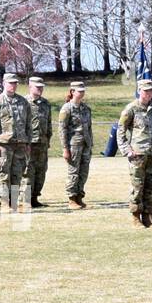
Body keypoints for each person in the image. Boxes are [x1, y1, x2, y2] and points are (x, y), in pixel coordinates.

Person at [118, 78, 152, 227]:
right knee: (137, 186)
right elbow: (121, 131)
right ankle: (135, 217)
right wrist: (127, 150)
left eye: (151, 90)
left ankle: (147, 216)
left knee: (151, 186)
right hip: (138, 154)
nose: (149, 93)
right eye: (146, 91)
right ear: (139, 91)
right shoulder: (131, 109)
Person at [0, 72, 31, 212]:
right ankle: (5, 202)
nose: (13, 85)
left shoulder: (23, 102)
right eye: (10, 83)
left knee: (17, 174)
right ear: (4, 83)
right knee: (3, 174)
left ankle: (14, 201)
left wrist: (28, 142)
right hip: (3, 144)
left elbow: (28, 123)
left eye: (15, 83)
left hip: (20, 144)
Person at [59, 82, 92, 210]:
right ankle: (71, 198)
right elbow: (62, 129)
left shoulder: (86, 108)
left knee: (83, 172)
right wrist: (65, 149)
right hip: (74, 145)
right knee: (73, 172)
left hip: (86, 144)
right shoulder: (66, 108)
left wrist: (90, 144)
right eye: (79, 91)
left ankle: (79, 197)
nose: (82, 93)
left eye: (83, 91)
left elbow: (89, 128)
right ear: (72, 91)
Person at [25, 76, 52, 208]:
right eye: (37, 87)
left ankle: (35, 197)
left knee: (41, 172)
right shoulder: (24, 103)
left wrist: (48, 140)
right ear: (30, 87)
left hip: (42, 143)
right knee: (28, 172)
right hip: (28, 143)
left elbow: (49, 123)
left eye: (41, 87)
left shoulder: (46, 104)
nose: (40, 89)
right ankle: (26, 199)